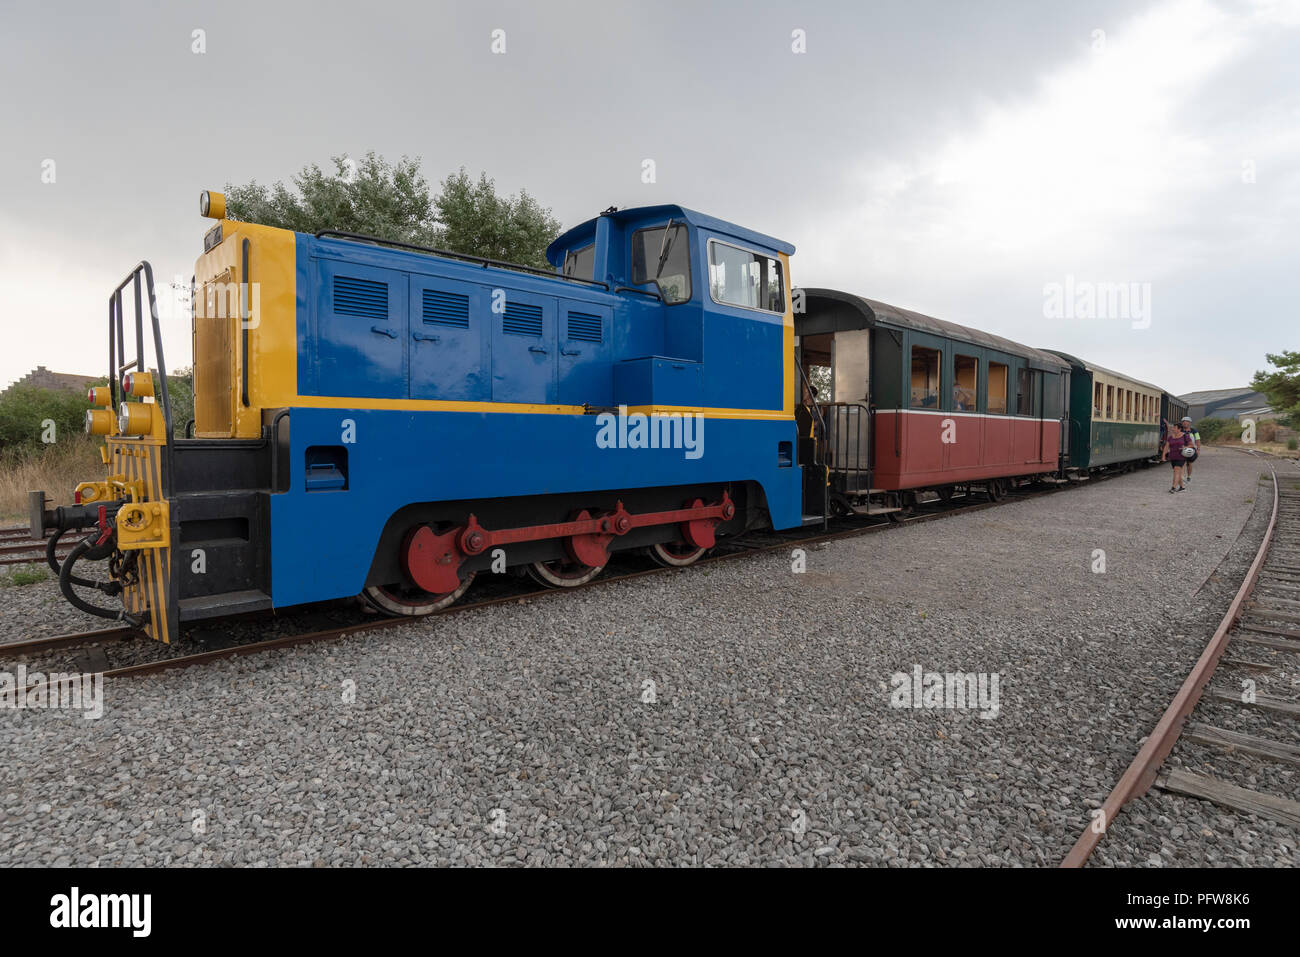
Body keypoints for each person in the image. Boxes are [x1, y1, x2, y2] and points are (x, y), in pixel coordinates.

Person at [1162, 421, 1188, 492]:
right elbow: (1166, 447)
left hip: (1181, 457)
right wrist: (1163, 455)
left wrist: (1185, 447)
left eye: (1174, 428)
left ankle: (1173, 488)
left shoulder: (1185, 436)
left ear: (1179, 429)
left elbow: (1191, 445)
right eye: (1173, 427)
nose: (1173, 429)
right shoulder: (1170, 437)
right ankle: (1182, 487)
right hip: (1173, 457)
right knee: (1177, 472)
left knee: (1176, 471)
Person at [1180, 416, 1201, 483]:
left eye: (1187, 422)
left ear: (1189, 423)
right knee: (1182, 462)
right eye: (1183, 422)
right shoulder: (1180, 430)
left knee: (1189, 463)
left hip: (1191, 449)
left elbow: (1197, 440)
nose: (1185, 423)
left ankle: (1189, 476)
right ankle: (1182, 477)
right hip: (1182, 448)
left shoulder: (1194, 431)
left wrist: (1198, 449)